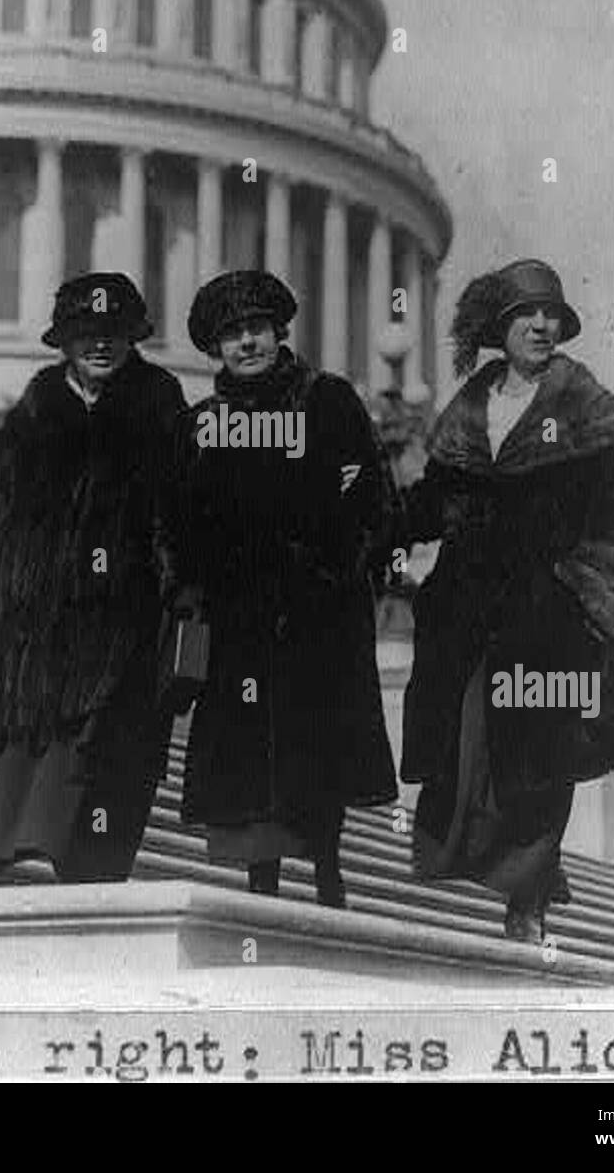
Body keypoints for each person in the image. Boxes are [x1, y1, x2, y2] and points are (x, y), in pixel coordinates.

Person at [0, 271, 186, 884]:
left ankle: (64, 850)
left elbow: (182, 505)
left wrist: (171, 583)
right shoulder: (43, 397)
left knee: (90, 728)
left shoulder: (159, 400)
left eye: (114, 332)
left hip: (114, 603)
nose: (100, 344)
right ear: (65, 340)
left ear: (132, 338)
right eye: (86, 332)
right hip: (30, 594)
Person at [400, 260, 614, 941]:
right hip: (471, 608)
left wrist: (592, 595)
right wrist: (379, 525)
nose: (541, 326)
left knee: (542, 753)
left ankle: (529, 896)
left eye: (551, 316)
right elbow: (437, 499)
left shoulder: (588, 410)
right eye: (526, 315)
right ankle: (507, 871)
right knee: (470, 746)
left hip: (551, 613)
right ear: (499, 328)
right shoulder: (471, 409)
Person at [161, 269, 397, 908]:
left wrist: (338, 569)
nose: (246, 343)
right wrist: (191, 589)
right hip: (236, 619)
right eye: (232, 334)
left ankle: (328, 874)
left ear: (279, 332)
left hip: (317, 614)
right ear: (215, 348)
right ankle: (261, 884)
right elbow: (176, 520)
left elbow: (370, 492)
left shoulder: (326, 400)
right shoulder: (202, 425)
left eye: (257, 329)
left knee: (317, 745)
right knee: (246, 754)